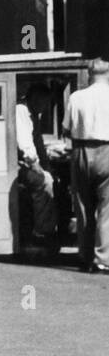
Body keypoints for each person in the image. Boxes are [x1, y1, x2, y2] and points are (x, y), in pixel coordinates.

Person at [63, 58, 109, 275]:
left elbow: (66, 129)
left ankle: (85, 255)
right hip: (107, 149)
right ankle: (103, 258)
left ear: (89, 74)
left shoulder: (76, 97)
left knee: (83, 205)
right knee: (107, 208)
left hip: (80, 150)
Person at [15, 84, 58, 249]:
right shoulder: (21, 111)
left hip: (27, 163)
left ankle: (49, 227)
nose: (44, 107)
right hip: (18, 165)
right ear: (34, 98)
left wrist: (46, 165)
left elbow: (38, 143)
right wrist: (38, 167)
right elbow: (26, 146)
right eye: (42, 102)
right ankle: (41, 232)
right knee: (44, 182)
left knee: (52, 177)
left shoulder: (34, 115)